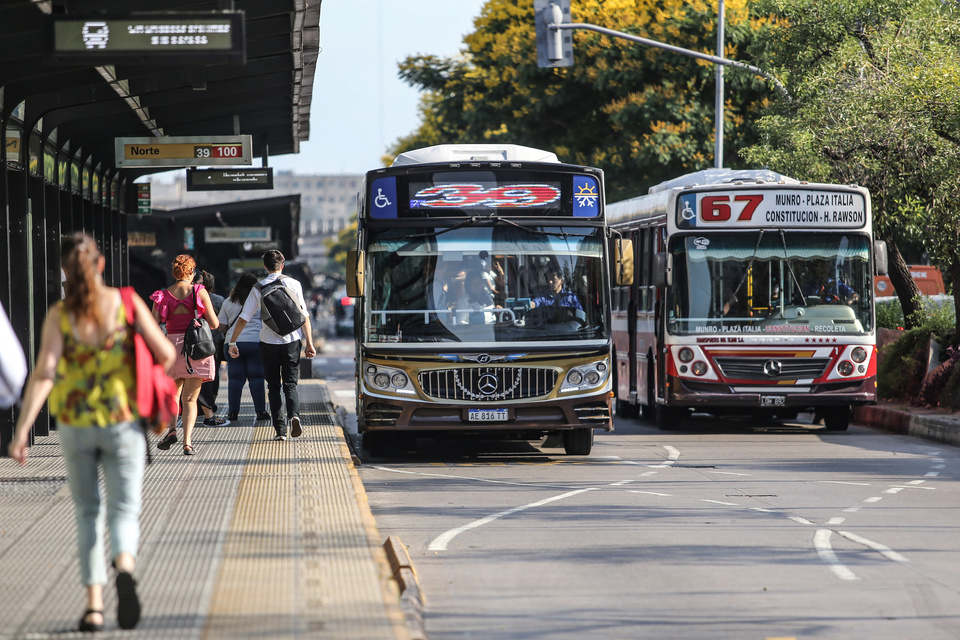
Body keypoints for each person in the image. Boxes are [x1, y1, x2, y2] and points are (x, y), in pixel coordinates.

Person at [8, 233, 175, 632]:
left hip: (75, 425)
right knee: (123, 509)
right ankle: (124, 566)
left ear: (64, 271)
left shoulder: (60, 315)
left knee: (87, 513)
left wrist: (21, 433)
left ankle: (94, 607)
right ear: (100, 265)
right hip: (123, 422)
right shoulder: (127, 302)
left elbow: (45, 374)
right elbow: (166, 354)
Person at [227, 250, 316, 441]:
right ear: (282, 265)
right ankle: (294, 415)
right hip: (292, 340)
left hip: (268, 343)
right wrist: (309, 343)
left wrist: (233, 341)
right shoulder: (294, 284)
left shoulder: (258, 288)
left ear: (265, 267)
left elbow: (244, 318)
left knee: (274, 386)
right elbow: (304, 315)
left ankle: (280, 431)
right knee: (290, 384)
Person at [150, 255, 220, 455]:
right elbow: (214, 324)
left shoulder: (162, 296)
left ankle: (172, 430)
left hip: (172, 348)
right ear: (191, 271)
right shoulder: (199, 291)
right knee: (190, 400)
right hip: (195, 348)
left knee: (173, 395)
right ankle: (187, 442)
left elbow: (153, 325)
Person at [218, 273, 270, 422]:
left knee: (234, 378)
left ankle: (233, 413)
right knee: (257, 377)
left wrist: (230, 332)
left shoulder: (228, 302)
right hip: (255, 343)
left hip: (233, 343)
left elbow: (220, 324)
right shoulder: (260, 301)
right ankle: (260, 412)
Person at [196, 270, 228, 427]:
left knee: (197, 373)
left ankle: (199, 404)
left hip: (197, 340)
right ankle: (211, 402)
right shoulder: (219, 300)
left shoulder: (194, 297)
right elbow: (221, 321)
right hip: (215, 340)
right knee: (212, 374)